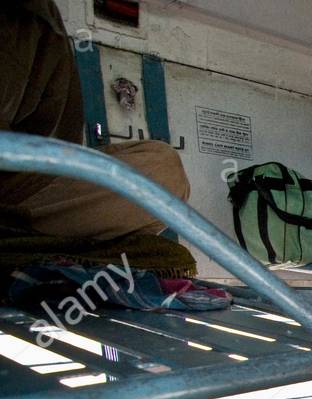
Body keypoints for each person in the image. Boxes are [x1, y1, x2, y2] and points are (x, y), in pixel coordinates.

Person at [0, 1, 190, 241]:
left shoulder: (36, 17)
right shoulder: (25, 15)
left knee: (164, 172)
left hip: (35, 177)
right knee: (163, 173)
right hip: (23, 183)